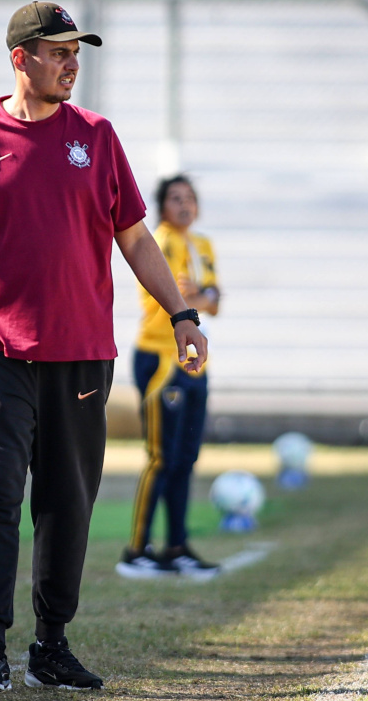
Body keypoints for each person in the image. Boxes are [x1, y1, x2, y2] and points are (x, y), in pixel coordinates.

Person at [0, 1, 207, 694]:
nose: (71, 63)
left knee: (67, 500)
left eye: (76, 53)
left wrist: (181, 313)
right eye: (58, 51)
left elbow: (132, 237)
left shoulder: (96, 136)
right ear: (20, 58)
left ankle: (51, 644)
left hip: (82, 354)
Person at [116, 175, 221, 580]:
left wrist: (202, 297)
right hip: (161, 359)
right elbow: (177, 299)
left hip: (195, 361)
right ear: (161, 207)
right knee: (160, 458)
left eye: (190, 198)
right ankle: (137, 549)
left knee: (186, 459)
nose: (184, 205)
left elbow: (215, 300)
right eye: (176, 198)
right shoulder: (157, 241)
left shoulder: (203, 245)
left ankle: (176, 546)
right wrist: (200, 298)